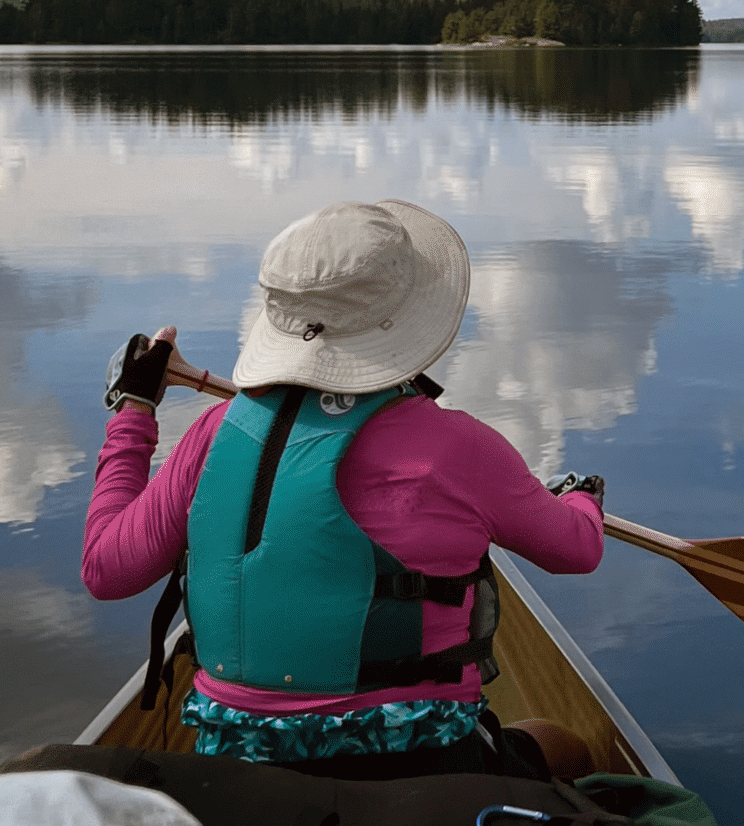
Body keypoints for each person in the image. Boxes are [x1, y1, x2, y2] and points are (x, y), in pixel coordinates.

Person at [81, 199, 606, 777]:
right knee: (562, 746)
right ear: (406, 318)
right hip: (420, 764)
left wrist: (134, 409)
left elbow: (106, 569)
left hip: (240, 762)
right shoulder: (461, 447)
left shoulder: (212, 434)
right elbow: (578, 550)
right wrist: (581, 496)